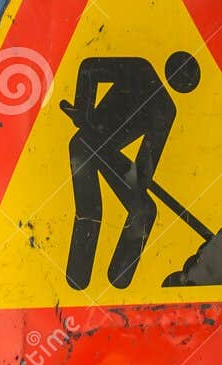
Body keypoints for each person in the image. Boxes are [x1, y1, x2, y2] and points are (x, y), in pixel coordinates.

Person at [60, 51, 201, 290]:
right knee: (90, 210)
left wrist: (138, 186)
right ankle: (77, 280)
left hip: (106, 153)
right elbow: (89, 68)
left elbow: (146, 163)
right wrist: (84, 108)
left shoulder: (166, 110)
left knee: (145, 210)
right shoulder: (140, 69)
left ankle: (119, 280)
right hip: (84, 147)